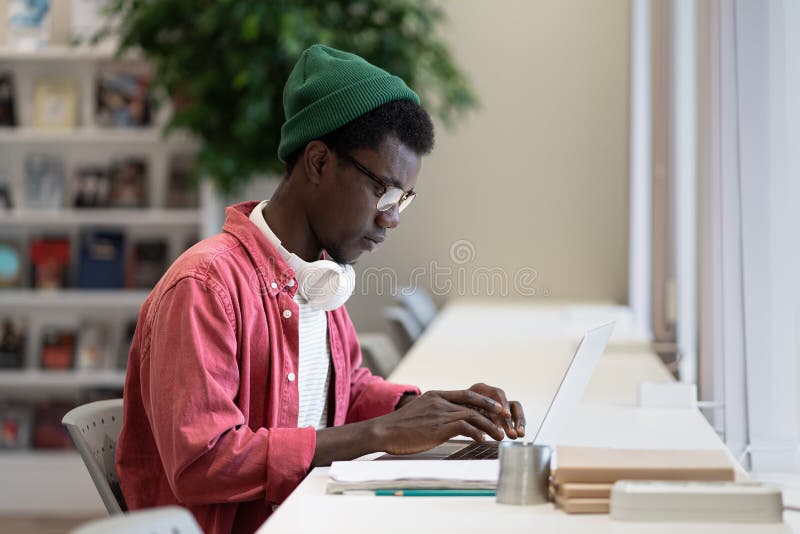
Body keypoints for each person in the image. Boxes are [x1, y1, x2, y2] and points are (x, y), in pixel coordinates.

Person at [116, 44, 526, 534]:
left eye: (404, 199)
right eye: (384, 191)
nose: (392, 217)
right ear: (317, 162)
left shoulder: (319, 277)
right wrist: (378, 434)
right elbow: (203, 462)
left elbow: (344, 389)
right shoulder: (204, 287)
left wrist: (425, 409)